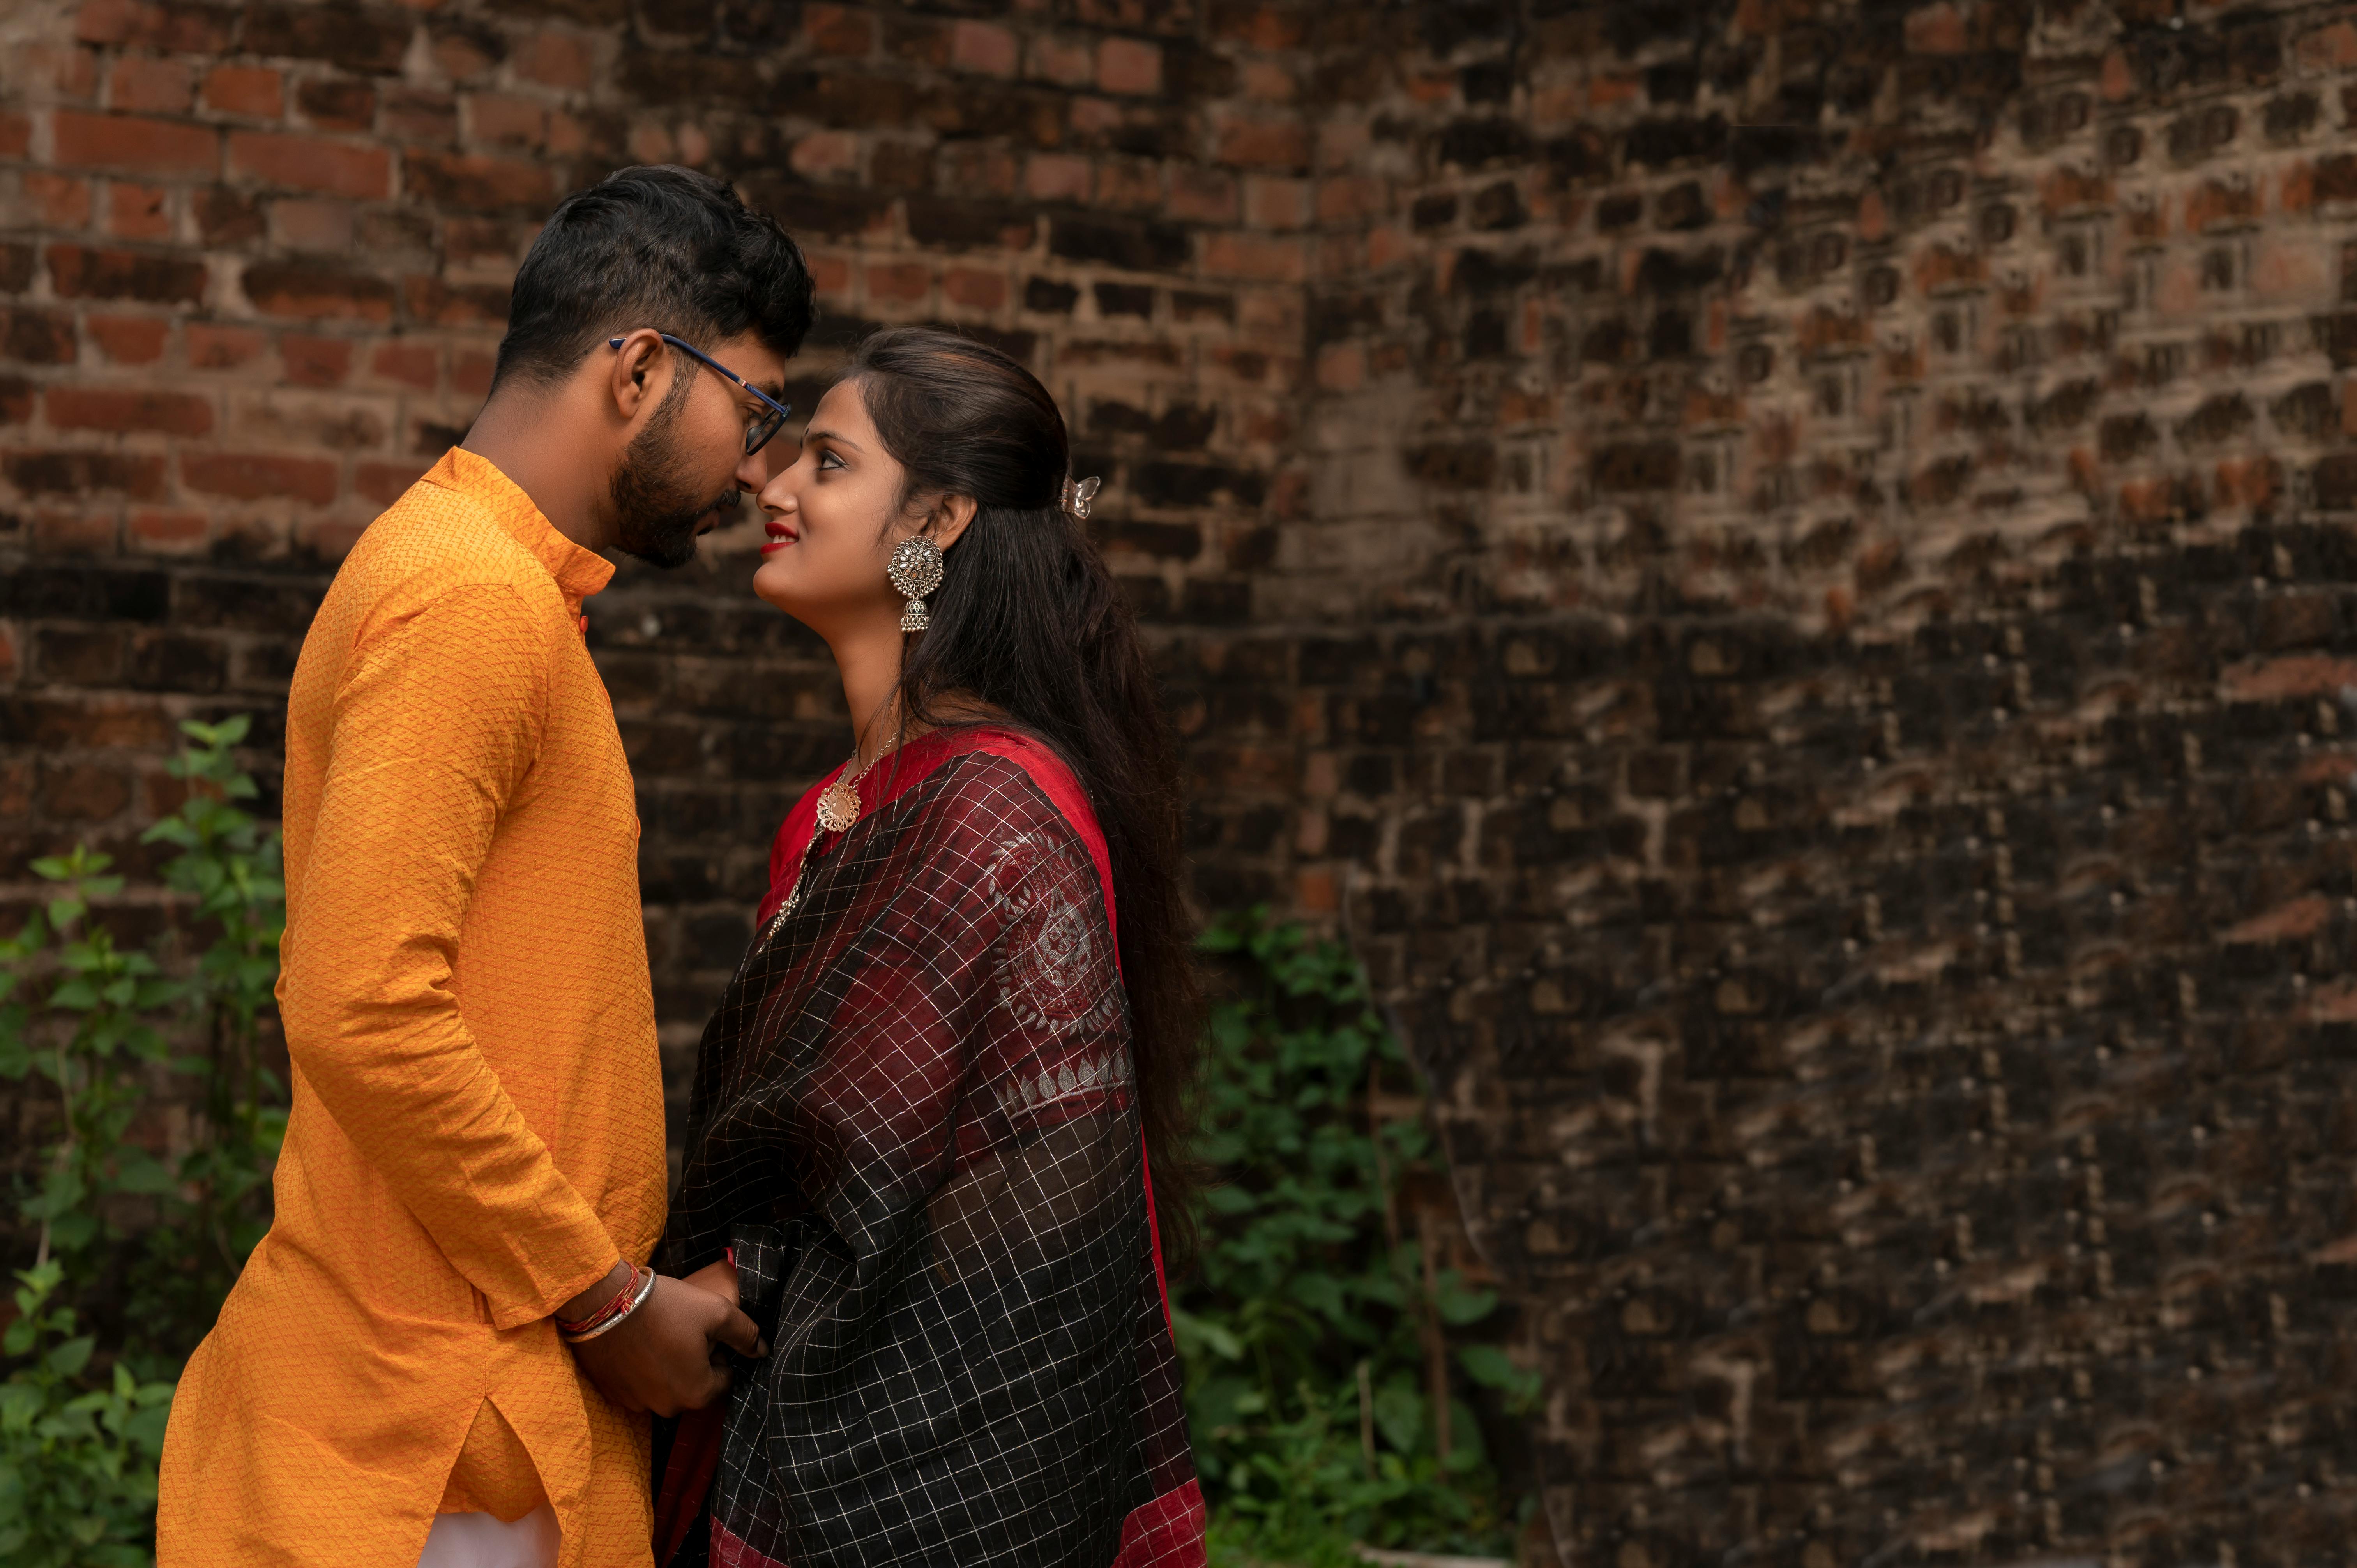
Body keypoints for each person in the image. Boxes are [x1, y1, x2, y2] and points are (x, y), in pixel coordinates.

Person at [157, 166, 815, 1568]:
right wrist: (605, 1299)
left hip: (471, 1416)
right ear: (641, 369)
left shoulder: (504, 584)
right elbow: (360, 1005)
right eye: (755, 410)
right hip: (432, 1443)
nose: (759, 468)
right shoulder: (469, 595)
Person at [649, 327, 1208, 1568]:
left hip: (937, 1473)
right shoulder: (830, 814)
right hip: (752, 1407)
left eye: (830, 464)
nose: (773, 484)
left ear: (939, 519)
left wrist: (736, 1285)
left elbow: (1017, 1220)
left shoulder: (994, 817)